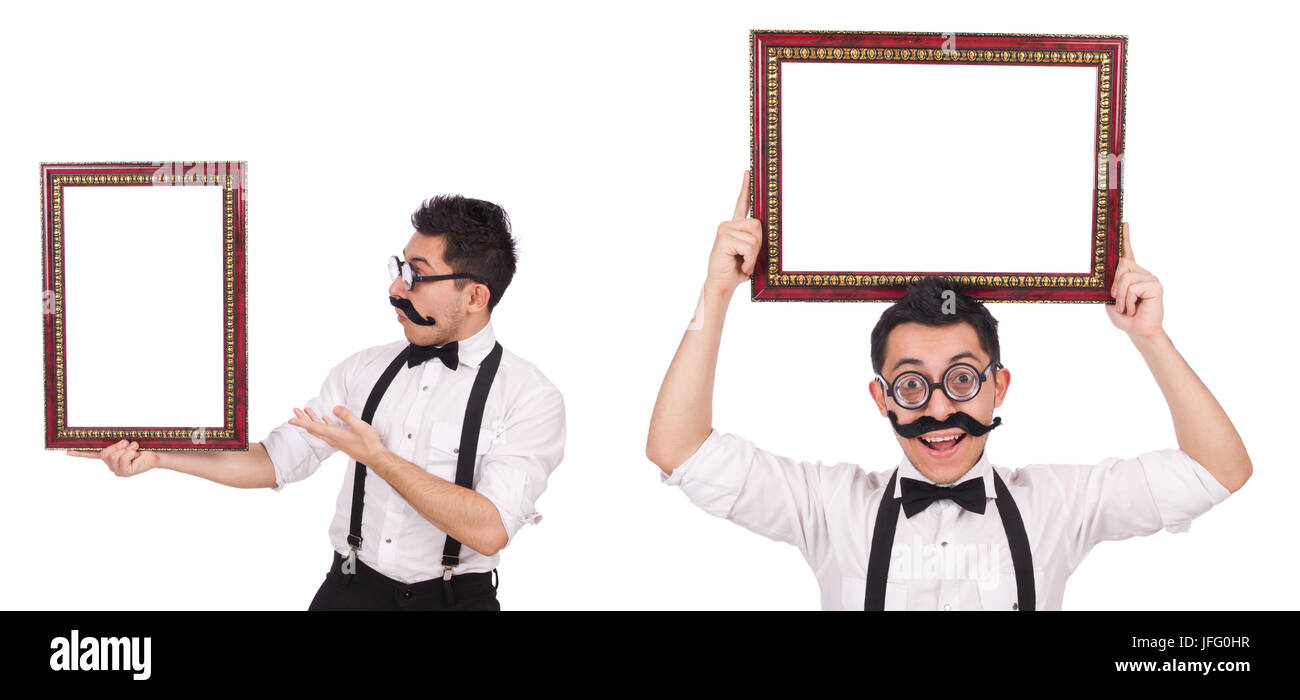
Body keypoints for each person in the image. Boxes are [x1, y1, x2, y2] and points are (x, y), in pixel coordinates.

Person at [644, 171, 1251, 610]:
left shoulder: (1060, 505)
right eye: (912, 385)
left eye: (962, 379)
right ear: (881, 399)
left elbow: (1218, 469)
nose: (939, 409)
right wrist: (716, 293)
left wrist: (1150, 337)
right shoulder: (827, 508)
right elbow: (679, 450)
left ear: (999, 387)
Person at [71, 194, 566, 611]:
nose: (395, 288)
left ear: (475, 296)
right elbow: (273, 461)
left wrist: (377, 457)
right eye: (399, 268)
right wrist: (161, 455)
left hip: (456, 601)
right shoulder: (363, 369)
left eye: (416, 275)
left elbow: (490, 530)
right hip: (349, 592)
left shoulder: (530, 397)